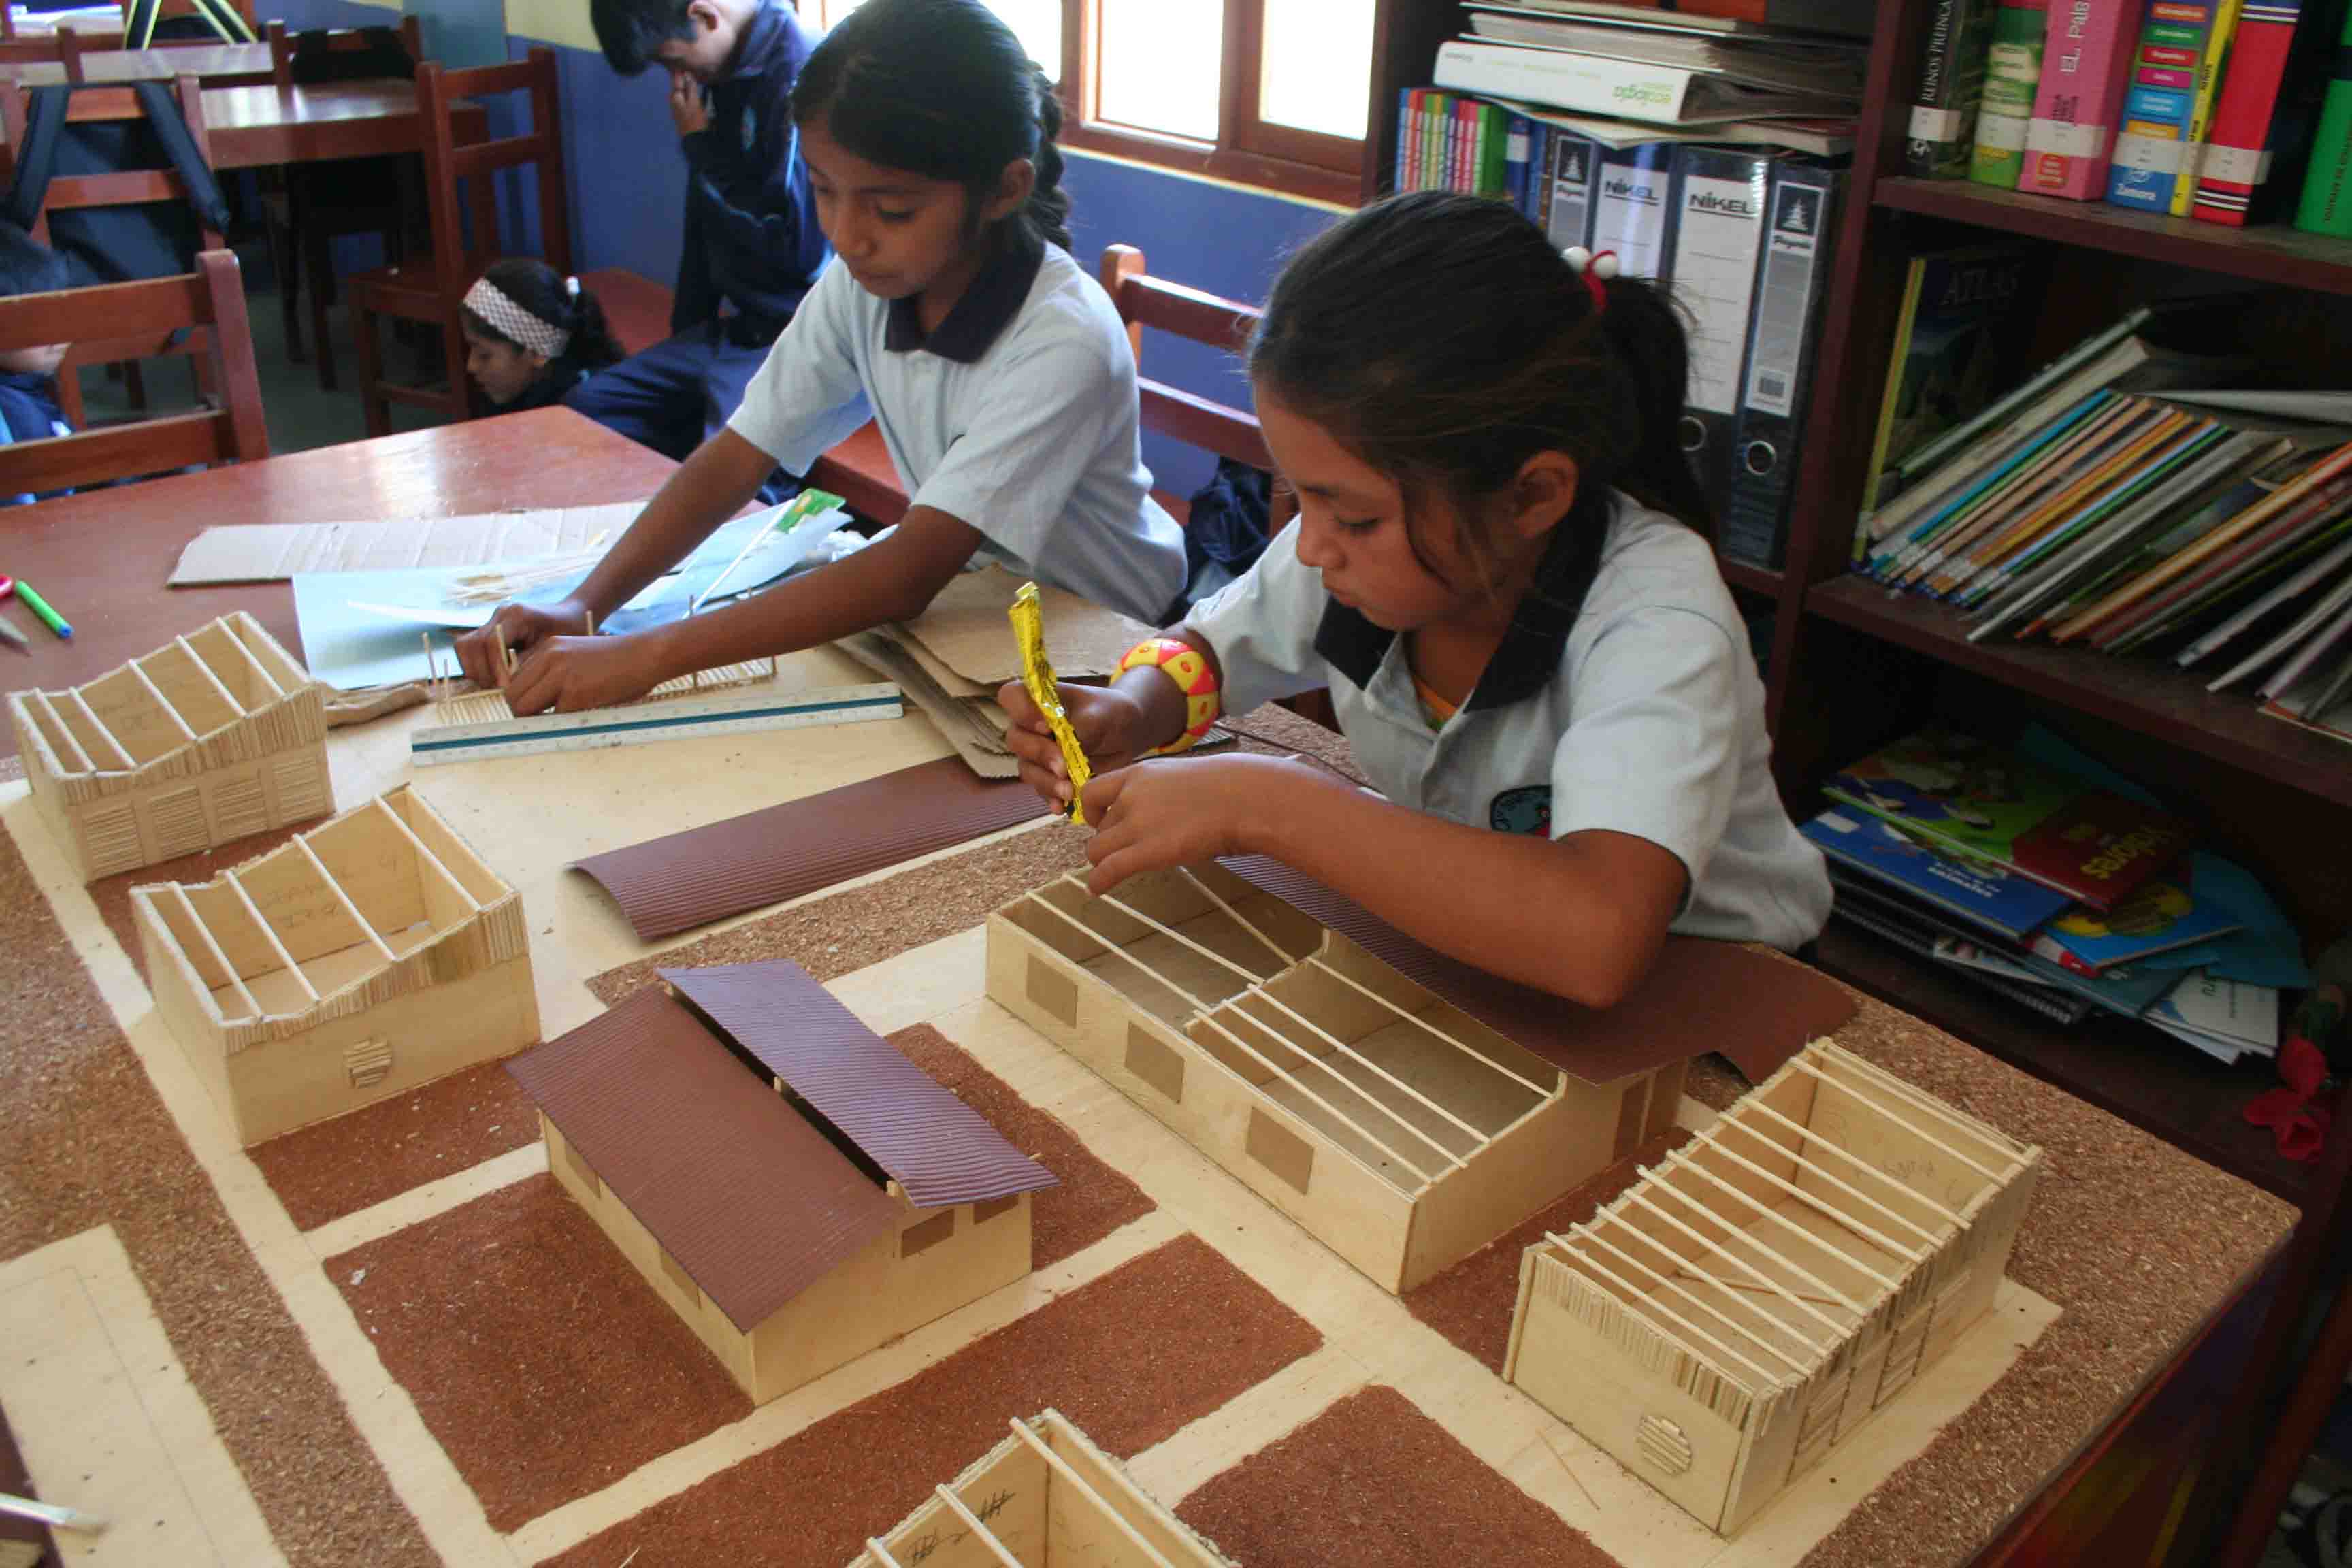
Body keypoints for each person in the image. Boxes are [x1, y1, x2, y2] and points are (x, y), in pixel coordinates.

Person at [1000, 193, 1831, 1009]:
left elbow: (1597, 935)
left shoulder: (1656, 620)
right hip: (1483, 957)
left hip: (1715, 988)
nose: (1312, 546)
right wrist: (1132, 708)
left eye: (1353, 515)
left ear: (1531, 496)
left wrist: (1269, 803)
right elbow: (1210, 650)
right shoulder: (1362, 553)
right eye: (1299, 495)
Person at [455, 0, 1186, 714]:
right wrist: (585, 603)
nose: (845, 234)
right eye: (823, 190)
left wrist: (648, 655)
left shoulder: (1062, 337)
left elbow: (907, 574)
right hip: (978, 604)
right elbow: (740, 452)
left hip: (1103, 640)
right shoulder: (868, 283)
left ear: (1003, 190)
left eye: (892, 210)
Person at [568, 0, 828, 460]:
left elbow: (797, 254)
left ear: (705, 17)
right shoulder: (723, 70)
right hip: (737, 331)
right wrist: (685, 334)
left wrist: (699, 147)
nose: (677, 80)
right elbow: (704, 220)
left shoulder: (801, 79)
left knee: (724, 469)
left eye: (673, 62)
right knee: (582, 413)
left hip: (799, 340)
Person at [461, 260, 626, 413]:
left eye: (485, 355)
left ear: (537, 354)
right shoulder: (524, 392)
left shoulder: (580, 412)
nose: (471, 366)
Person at [0, 222, 78, 507]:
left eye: (61, 316)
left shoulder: (28, 386)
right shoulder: (12, 411)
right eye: (36, 323)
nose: (58, 335)